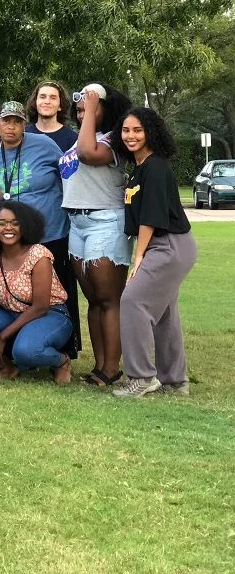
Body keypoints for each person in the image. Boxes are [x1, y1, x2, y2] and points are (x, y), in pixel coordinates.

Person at [0, 100, 80, 354]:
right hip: (12, 240)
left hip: (50, 234)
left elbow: (69, 174)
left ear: (25, 125)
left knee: (57, 295)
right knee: (12, 296)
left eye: (17, 122)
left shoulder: (44, 145)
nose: (10, 127)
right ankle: (13, 352)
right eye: (6, 121)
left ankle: (64, 349)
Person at [110, 108, 197, 398]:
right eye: (126, 130)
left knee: (133, 301)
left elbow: (151, 217)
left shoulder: (156, 167)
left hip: (169, 244)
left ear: (150, 132)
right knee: (164, 314)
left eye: (137, 130)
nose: (130, 136)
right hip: (165, 245)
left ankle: (142, 377)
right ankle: (174, 380)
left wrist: (139, 259)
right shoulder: (140, 167)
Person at [58, 83, 133, 387]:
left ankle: (112, 368)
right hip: (77, 221)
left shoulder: (115, 139)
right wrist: (88, 110)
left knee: (108, 299)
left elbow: (89, 154)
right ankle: (101, 364)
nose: (82, 112)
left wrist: (90, 108)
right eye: (79, 109)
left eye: (89, 107)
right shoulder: (84, 136)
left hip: (104, 220)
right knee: (92, 299)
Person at [0, 202, 73, 382]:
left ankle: (61, 361)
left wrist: (3, 336)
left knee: (26, 351)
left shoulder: (39, 254)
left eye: (15, 223)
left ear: (25, 225)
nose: (8, 228)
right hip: (10, 314)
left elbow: (40, 307)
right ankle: (8, 366)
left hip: (48, 315)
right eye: (1, 223)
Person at [25, 80, 77, 152]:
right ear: (35, 102)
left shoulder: (73, 139)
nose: (47, 102)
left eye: (53, 98)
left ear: (60, 105)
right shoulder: (24, 135)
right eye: (42, 97)